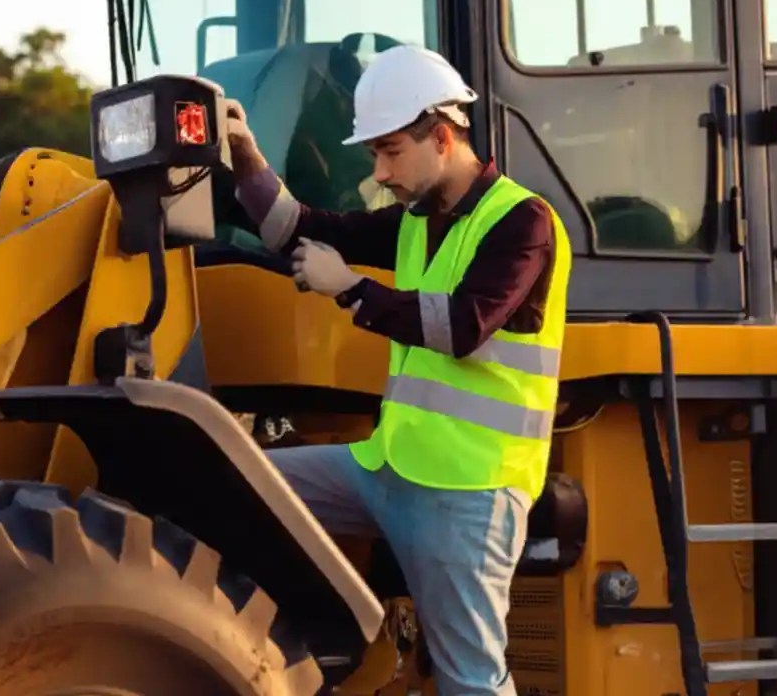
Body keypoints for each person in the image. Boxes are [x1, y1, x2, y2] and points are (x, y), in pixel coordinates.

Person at [225, 44, 571, 696]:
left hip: (469, 495)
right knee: (236, 484)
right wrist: (244, 153)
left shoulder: (525, 223)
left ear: (441, 136)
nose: (380, 171)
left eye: (390, 151)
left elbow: (464, 328)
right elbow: (297, 229)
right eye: (374, 155)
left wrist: (350, 289)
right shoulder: (415, 221)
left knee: (471, 682)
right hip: (387, 469)